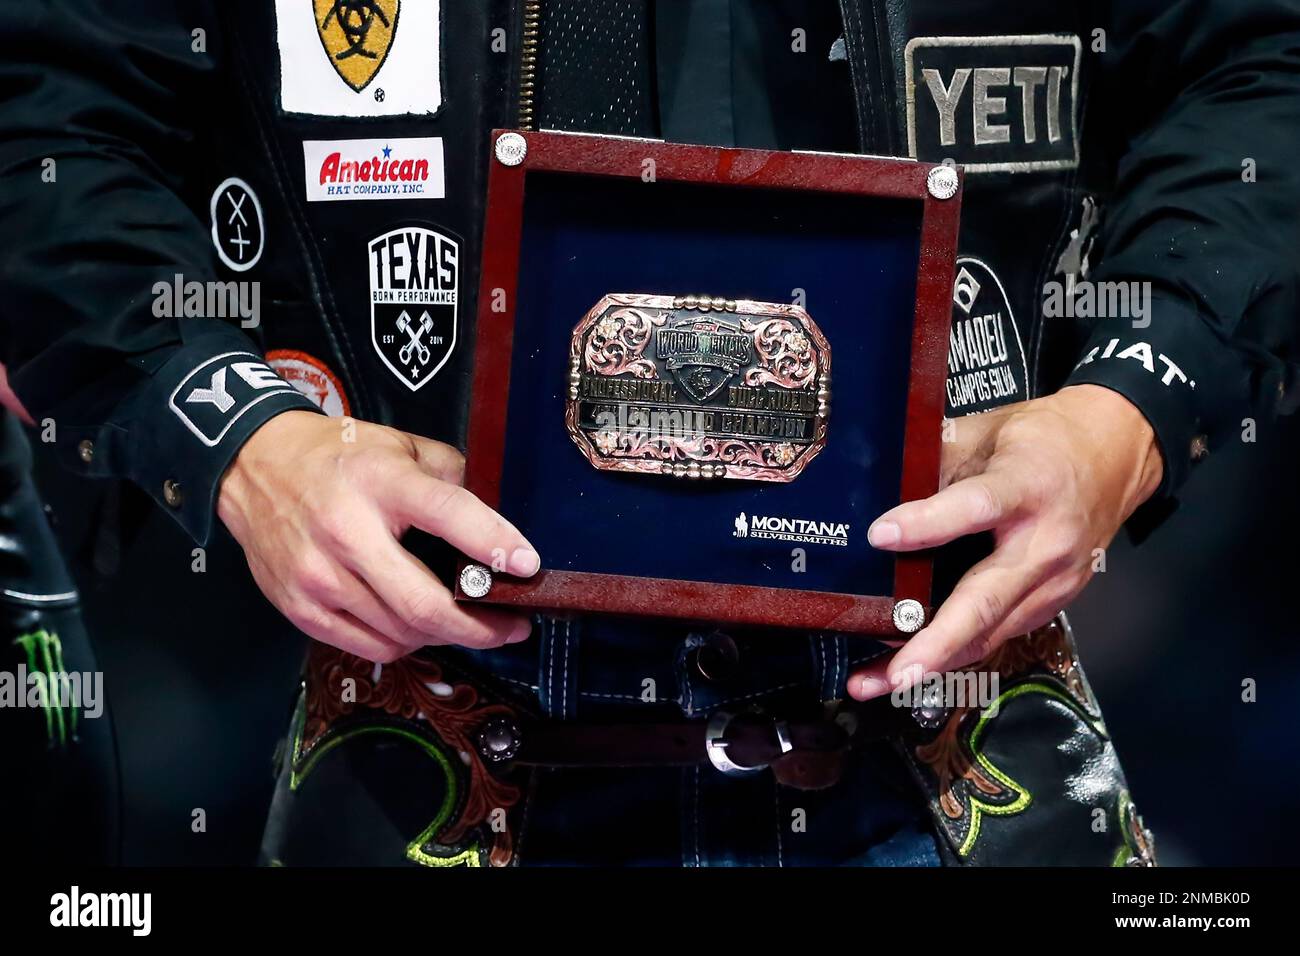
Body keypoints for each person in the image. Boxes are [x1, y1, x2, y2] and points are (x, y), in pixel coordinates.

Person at [2, 0, 1297, 866]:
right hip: (428, 730)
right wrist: (236, 439)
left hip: (957, 712)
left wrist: (1127, 411)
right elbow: (46, 105)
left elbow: (1262, 59)